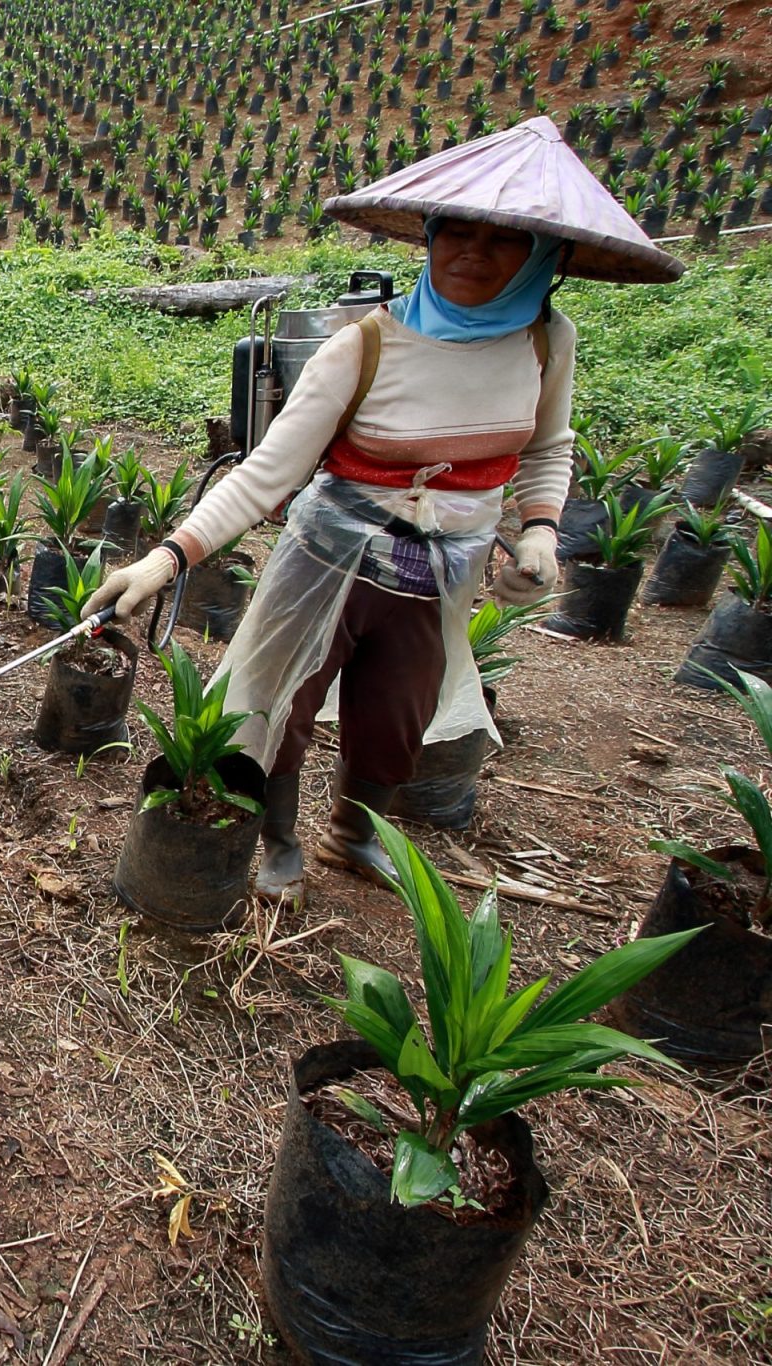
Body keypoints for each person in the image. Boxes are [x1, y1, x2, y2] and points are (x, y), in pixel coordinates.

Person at [87, 117, 682, 902]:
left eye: (504, 238)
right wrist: (167, 560)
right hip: (328, 557)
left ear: (548, 256)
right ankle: (278, 841)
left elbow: (548, 447)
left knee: (399, 715)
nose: (473, 251)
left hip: (443, 569)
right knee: (278, 705)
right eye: (455, 230)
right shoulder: (363, 346)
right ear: (429, 236)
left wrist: (540, 530)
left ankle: (353, 832)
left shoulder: (545, 341)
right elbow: (268, 473)